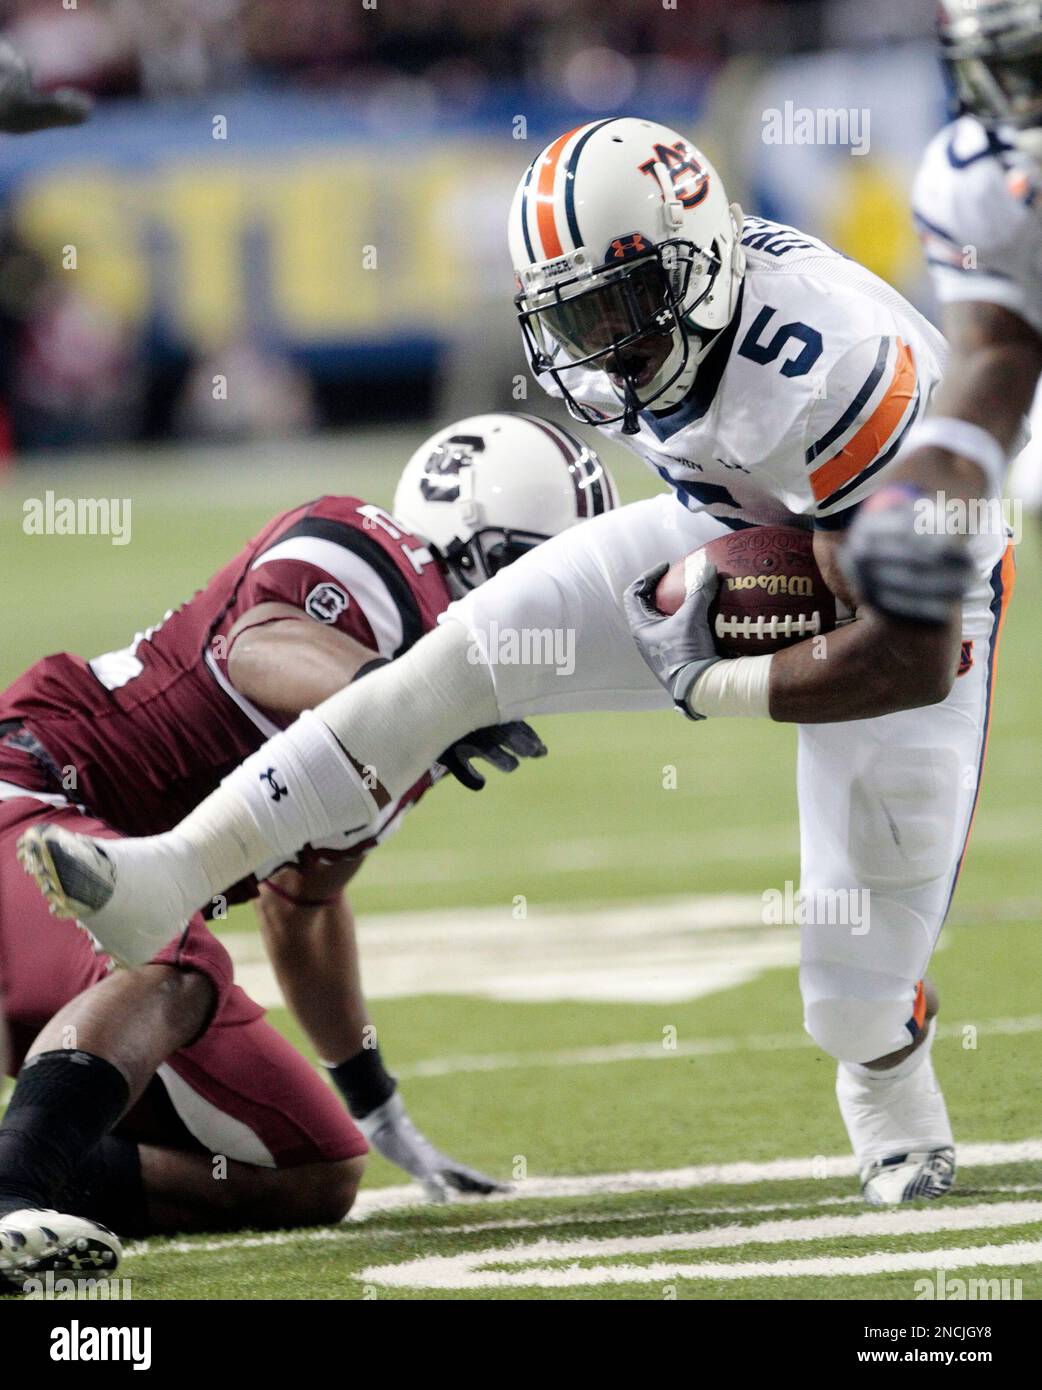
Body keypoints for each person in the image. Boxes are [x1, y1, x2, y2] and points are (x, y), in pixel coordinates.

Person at [20, 117, 1008, 1206]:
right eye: (576, 317)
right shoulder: (680, 305)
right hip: (727, 529)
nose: (606, 345)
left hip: (917, 589)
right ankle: (175, 868)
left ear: (702, 266)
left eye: (622, 309)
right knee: (461, 658)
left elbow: (909, 659)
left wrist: (703, 676)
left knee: (852, 990)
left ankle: (896, 1113)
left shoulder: (834, 367)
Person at [0, 412, 617, 1286]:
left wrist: (376, 1102)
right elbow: (254, 648)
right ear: (470, 546)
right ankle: (10, 1196)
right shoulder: (373, 558)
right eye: (534, 572)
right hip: (33, 801)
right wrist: (403, 698)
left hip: (107, 893)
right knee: (165, 957)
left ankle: (36, 1177)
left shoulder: (426, 711)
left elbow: (306, 902)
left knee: (312, 1169)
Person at [842, 0, 1040, 622]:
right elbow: (996, 359)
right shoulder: (976, 178)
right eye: (1013, 74)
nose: (1028, 103)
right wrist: (918, 498)